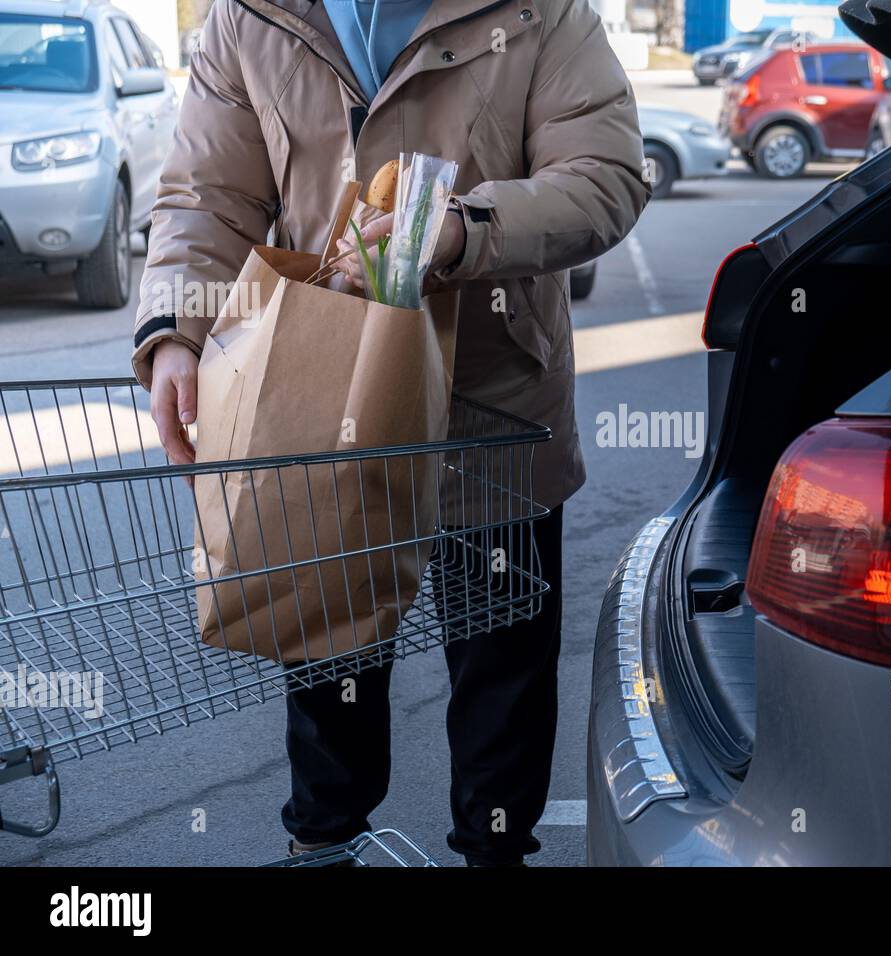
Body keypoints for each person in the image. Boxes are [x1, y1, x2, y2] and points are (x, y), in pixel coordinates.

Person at [133, 0, 649, 866]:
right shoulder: (251, 16)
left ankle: (495, 851)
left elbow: (603, 174)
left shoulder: (540, 12)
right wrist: (175, 332)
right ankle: (325, 844)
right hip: (321, 389)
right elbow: (207, 198)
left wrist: (462, 229)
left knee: (502, 665)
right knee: (325, 637)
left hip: (496, 397)